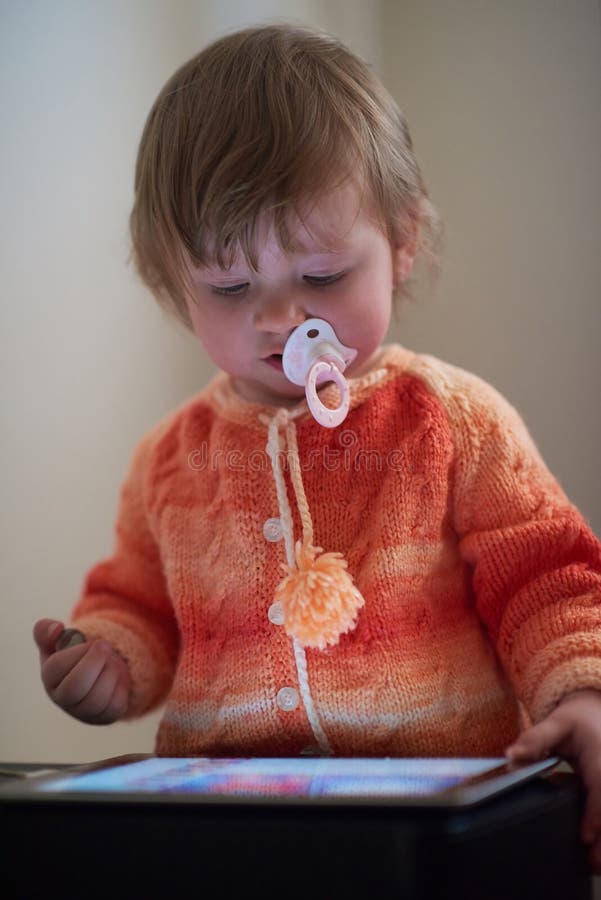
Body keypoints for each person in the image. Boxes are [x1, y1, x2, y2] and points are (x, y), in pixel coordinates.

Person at [33, 24, 601, 870]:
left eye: (323, 277)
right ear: (169, 279)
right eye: (229, 288)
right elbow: (140, 602)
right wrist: (109, 658)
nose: (278, 318)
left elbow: (546, 574)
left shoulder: (448, 417)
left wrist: (583, 692)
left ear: (401, 241)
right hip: (230, 832)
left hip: (430, 819)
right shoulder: (171, 458)